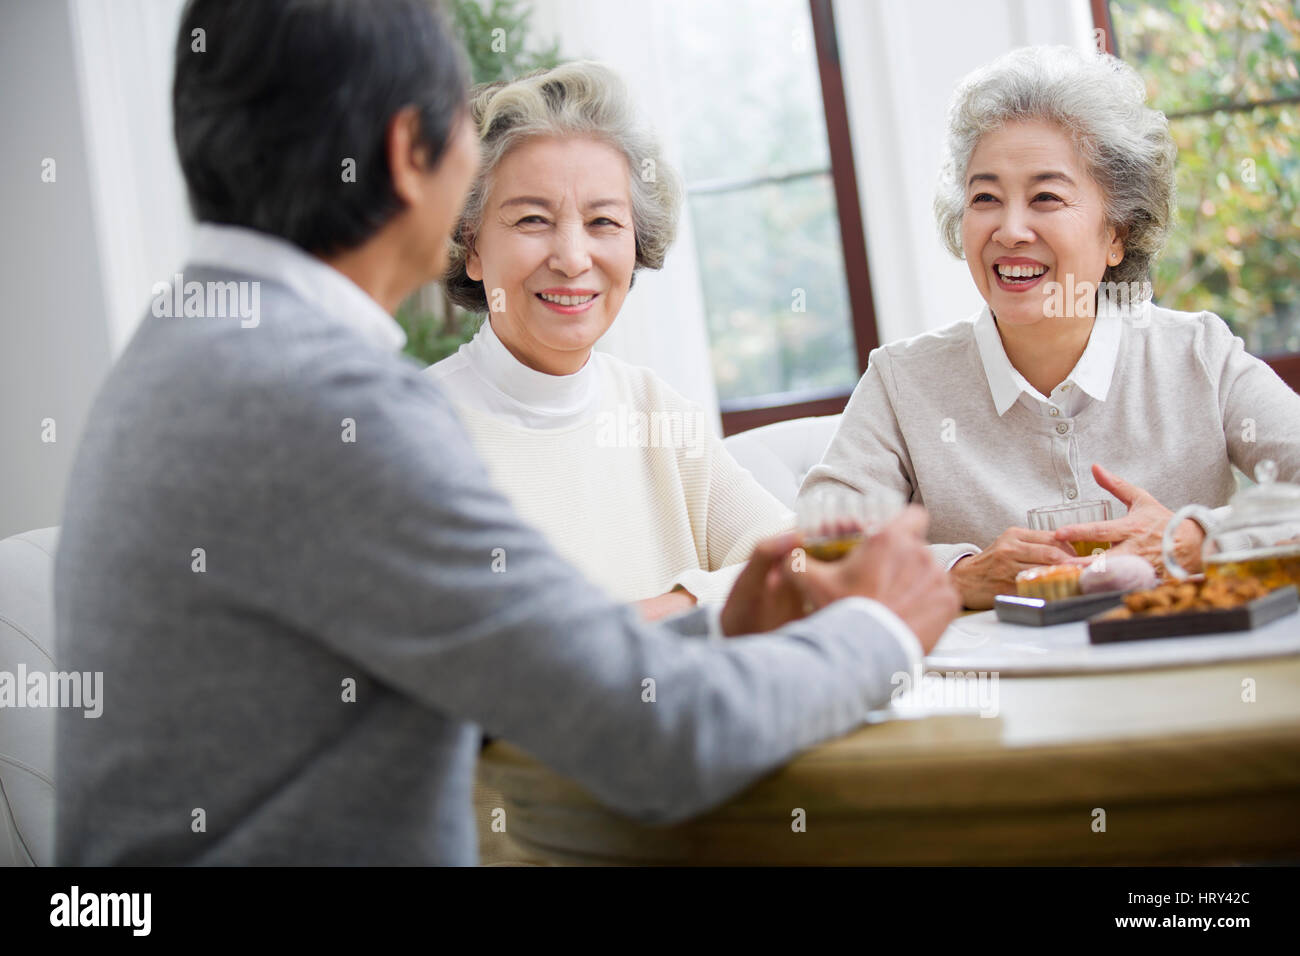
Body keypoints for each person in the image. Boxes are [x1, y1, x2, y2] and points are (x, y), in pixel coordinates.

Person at [53, 0, 959, 865]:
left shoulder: (184, 353)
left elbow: (505, 673)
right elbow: (656, 743)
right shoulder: (331, 405)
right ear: (414, 153)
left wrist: (706, 631)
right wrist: (880, 632)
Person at [799, 45, 1300, 610]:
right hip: (1003, 694)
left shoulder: (1198, 355)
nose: (1010, 230)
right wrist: (958, 574)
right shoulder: (902, 381)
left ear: (1117, 234)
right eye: (984, 197)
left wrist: (1197, 539)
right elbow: (821, 548)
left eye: (1046, 197)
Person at [429, 62, 793, 619]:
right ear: (472, 246)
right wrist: (692, 610)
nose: (573, 259)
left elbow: (795, 566)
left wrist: (671, 604)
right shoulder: (418, 429)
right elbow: (494, 653)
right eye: (531, 219)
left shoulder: (656, 412)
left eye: (603, 223)